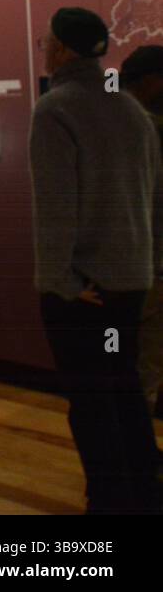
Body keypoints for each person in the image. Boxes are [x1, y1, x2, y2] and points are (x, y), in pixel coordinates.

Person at [31, 8, 163, 514]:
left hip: (85, 285)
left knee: (90, 400)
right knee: (124, 386)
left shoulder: (57, 109)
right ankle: (143, 489)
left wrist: (58, 282)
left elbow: (56, 209)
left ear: (60, 49)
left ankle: (109, 502)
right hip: (131, 278)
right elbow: (149, 196)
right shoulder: (130, 109)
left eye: (47, 40)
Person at [122, 44, 163, 416]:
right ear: (151, 82)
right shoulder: (147, 127)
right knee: (145, 361)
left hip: (127, 264)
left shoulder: (116, 123)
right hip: (149, 263)